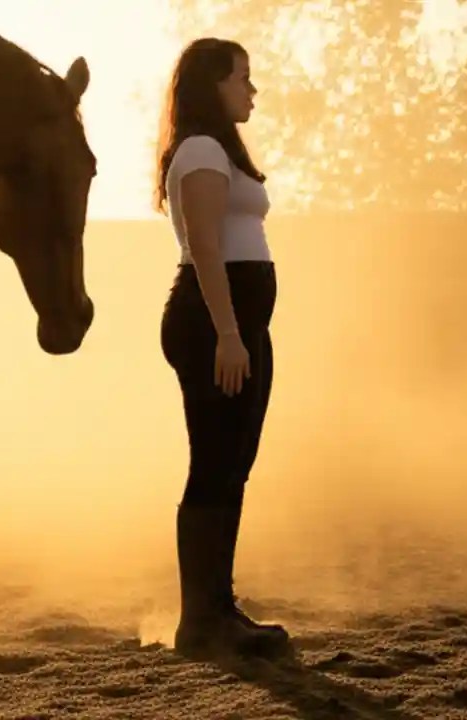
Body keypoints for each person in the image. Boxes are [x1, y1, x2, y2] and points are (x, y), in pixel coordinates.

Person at [153, 37, 291, 659]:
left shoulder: (219, 149)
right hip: (215, 323)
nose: (252, 90)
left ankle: (219, 608)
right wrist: (230, 334)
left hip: (239, 323)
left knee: (233, 461)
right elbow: (206, 248)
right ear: (212, 84)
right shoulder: (202, 149)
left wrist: (244, 330)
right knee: (213, 460)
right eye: (242, 78)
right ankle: (199, 621)